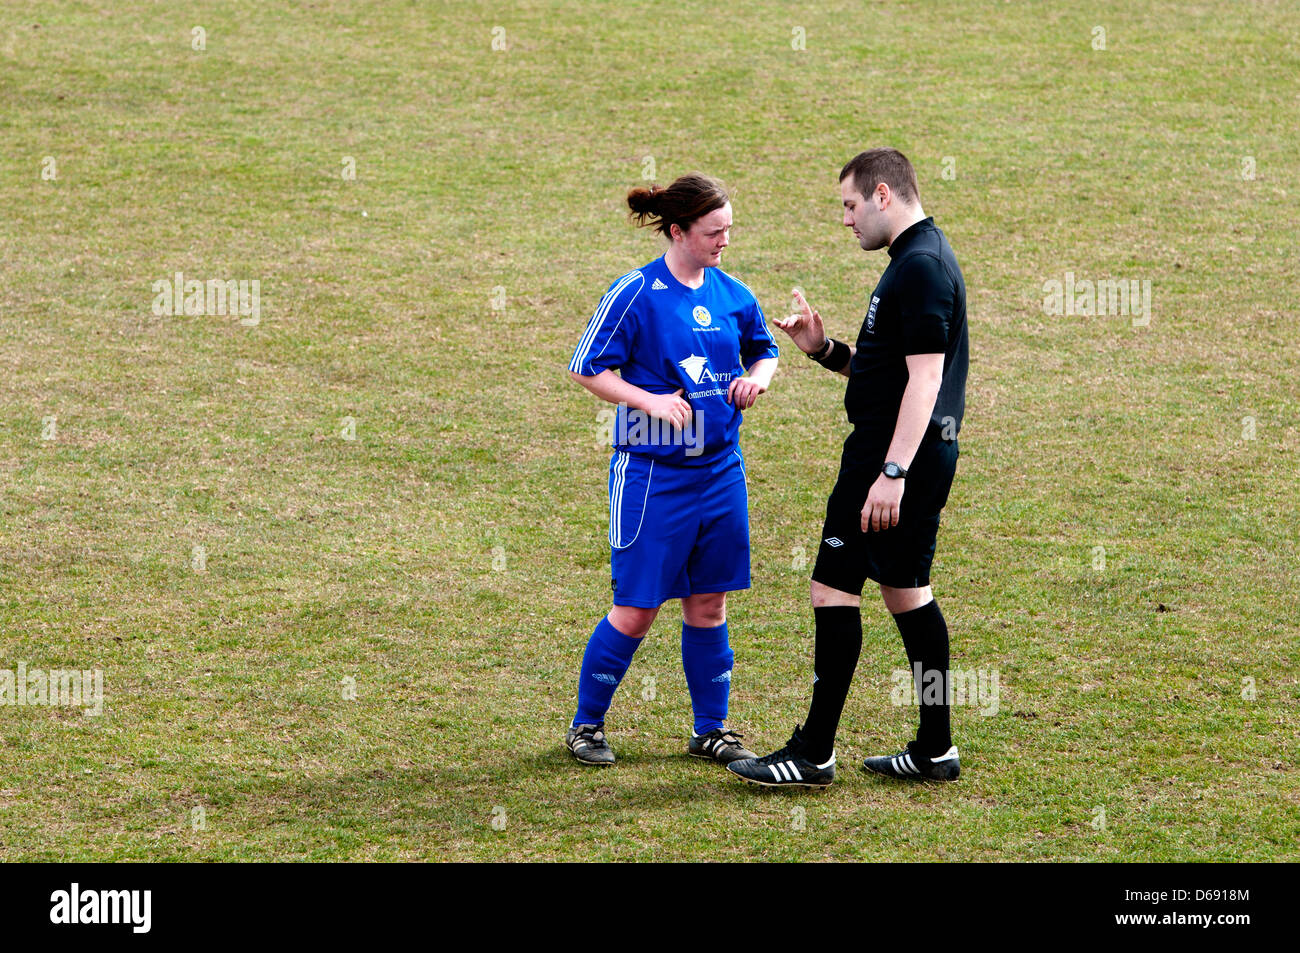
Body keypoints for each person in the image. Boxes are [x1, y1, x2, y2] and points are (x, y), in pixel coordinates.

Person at [728, 148, 969, 788]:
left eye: (850, 205)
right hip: (916, 451)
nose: (847, 219)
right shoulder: (919, 259)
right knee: (906, 591)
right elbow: (888, 372)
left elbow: (925, 380)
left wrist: (891, 472)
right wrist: (823, 349)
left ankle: (813, 752)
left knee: (833, 587)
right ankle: (935, 747)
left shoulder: (918, 268)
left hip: (889, 456)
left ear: (883, 194)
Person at [565, 172, 780, 767]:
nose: (724, 241)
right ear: (679, 231)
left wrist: (753, 381)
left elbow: (765, 348)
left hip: (719, 471)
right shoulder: (635, 292)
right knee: (637, 607)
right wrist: (648, 400)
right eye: (714, 232)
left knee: (709, 604)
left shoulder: (732, 293)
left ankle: (711, 729)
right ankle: (587, 725)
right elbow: (587, 368)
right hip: (652, 475)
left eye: (729, 230)